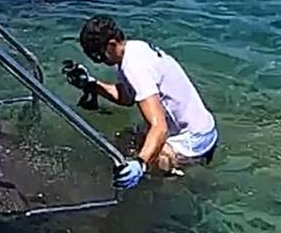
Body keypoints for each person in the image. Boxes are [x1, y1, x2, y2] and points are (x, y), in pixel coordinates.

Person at [63, 15, 219, 190]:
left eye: (98, 56)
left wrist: (141, 163)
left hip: (195, 139)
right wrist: (92, 84)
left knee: (156, 160)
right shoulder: (134, 49)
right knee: (124, 141)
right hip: (201, 127)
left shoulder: (134, 67)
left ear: (112, 44)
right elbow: (128, 97)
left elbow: (159, 127)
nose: (98, 61)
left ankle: (174, 192)